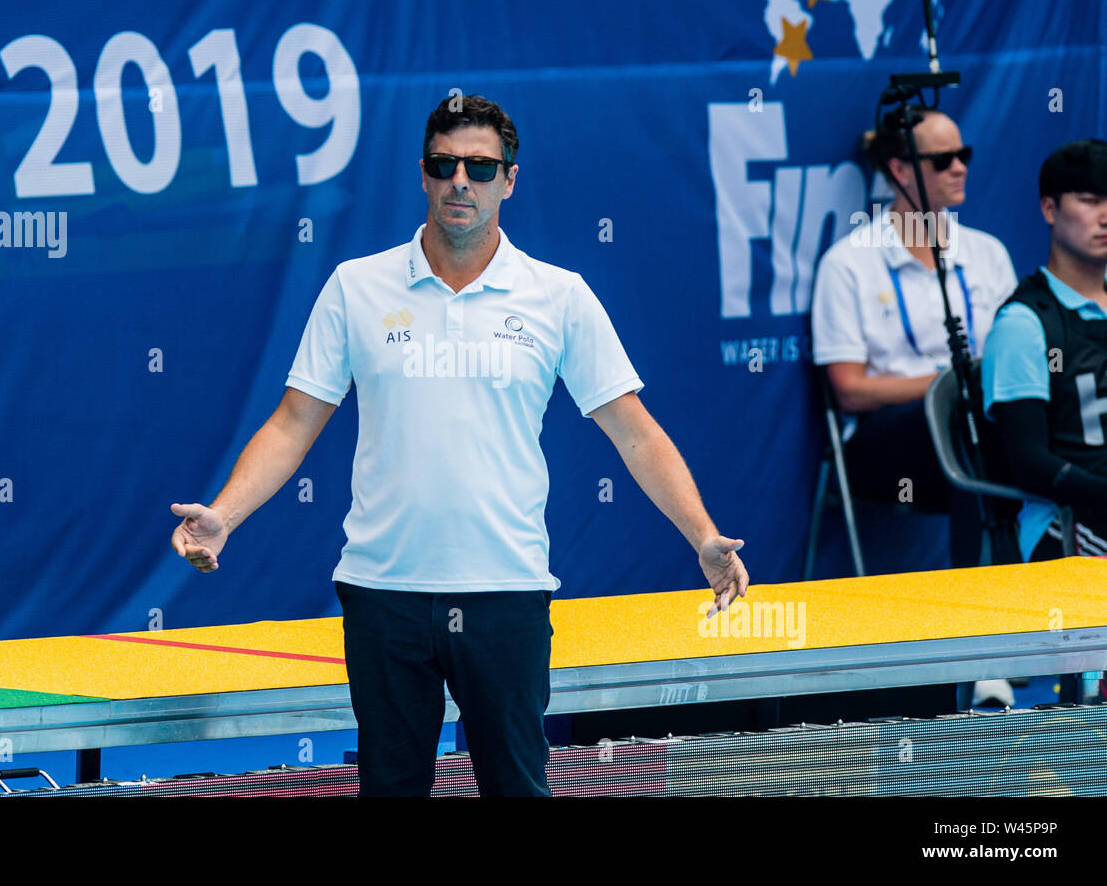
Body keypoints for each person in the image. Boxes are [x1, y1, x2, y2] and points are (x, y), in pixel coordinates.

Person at [168, 94, 749, 796]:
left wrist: (703, 535)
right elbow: (293, 422)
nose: (460, 182)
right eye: (445, 165)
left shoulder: (557, 295)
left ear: (509, 179)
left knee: (516, 790)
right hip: (384, 591)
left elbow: (635, 431)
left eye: (480, 167)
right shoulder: (357, 286)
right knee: (391, 791)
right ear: (423, 174)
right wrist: (225, 515)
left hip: (505, 589)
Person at [811, 108, 1018, 571]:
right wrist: (948, 386)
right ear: (899, 170)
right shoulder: (848, 263)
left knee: (1027, 422)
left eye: (963, 154)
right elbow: (850, 391)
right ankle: (982, 598)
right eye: (942, 160)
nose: (960, 167)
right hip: (889, 440)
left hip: (983, 422)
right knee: (963, 421)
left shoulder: (987, 252)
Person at [983, 138, 1107, 561]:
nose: (1105, 216)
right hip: (1067, 525)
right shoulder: (1023, 324)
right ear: (1049, 210)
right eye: (1090, 201)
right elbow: (1029, 463)